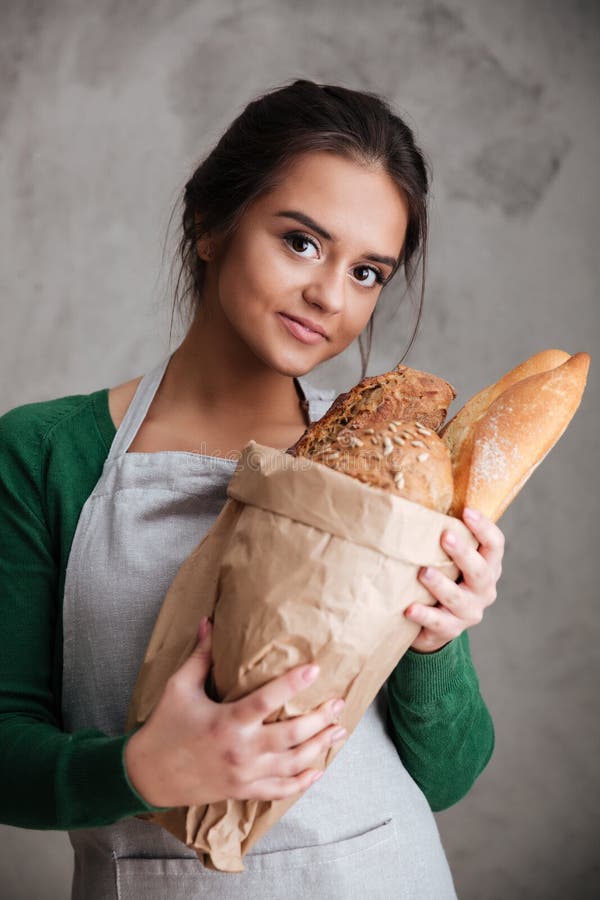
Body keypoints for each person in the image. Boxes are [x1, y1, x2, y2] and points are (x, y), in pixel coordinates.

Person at [0, 79, 504, 899]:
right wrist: (144, 768)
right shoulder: (47, 454)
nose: (331, 297)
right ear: (209, 223)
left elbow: (448, 777)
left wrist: (436, 642)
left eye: (369, 271)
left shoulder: (393, 471)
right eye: (302, 242)